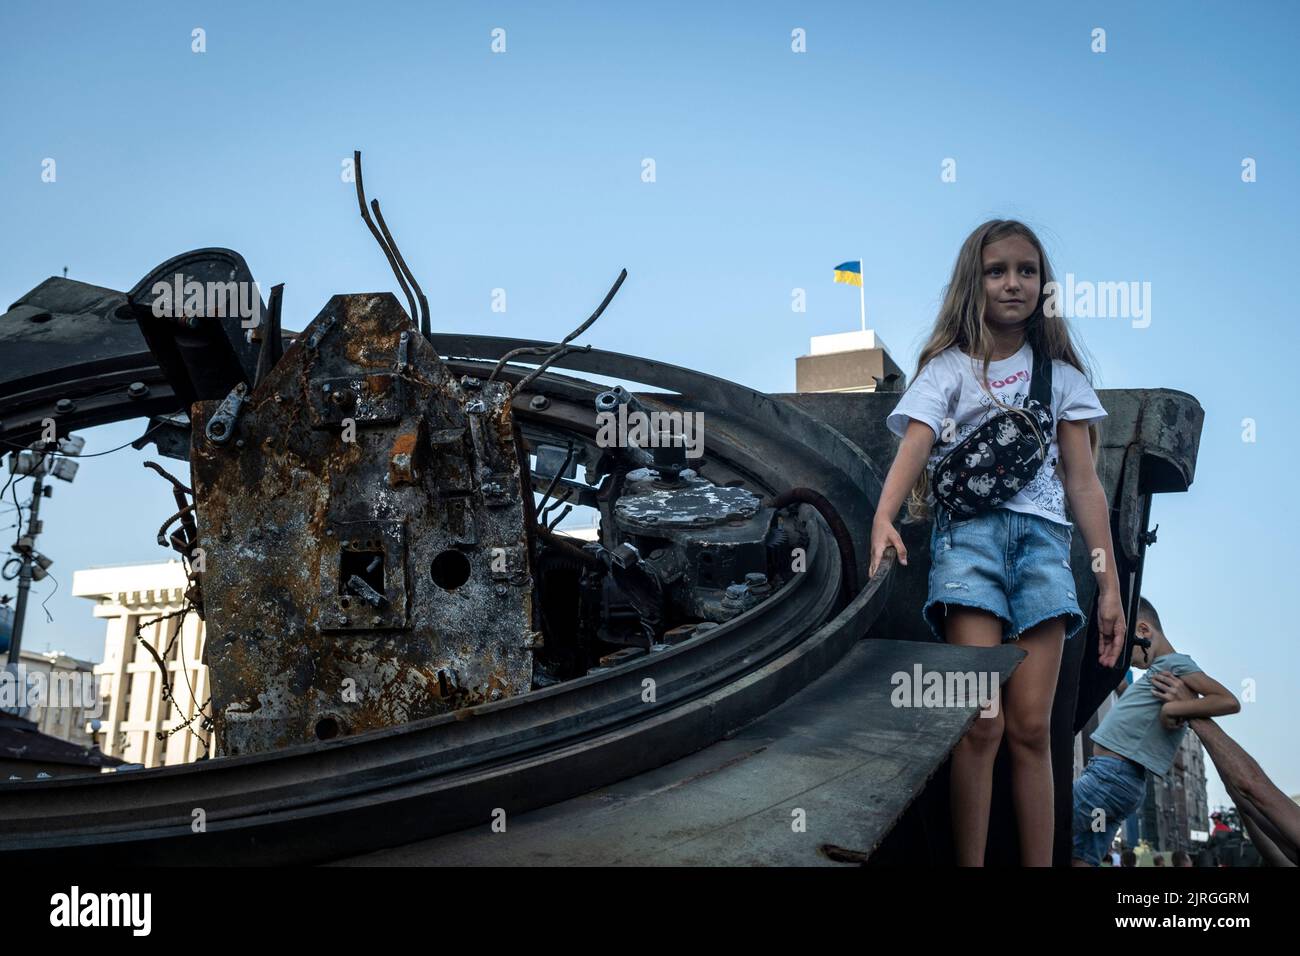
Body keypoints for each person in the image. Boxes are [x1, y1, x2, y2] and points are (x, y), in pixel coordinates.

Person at [869, 219, 1125, 866]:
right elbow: (917, 442)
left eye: (1027, 270)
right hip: (970, 545)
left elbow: (1085, 485)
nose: (1013, 282)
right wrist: (884, 517)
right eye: (996, 270)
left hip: (1043, 548)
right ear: (972, 283)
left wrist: (1109, 585)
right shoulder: (950, 370)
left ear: (1044, 284)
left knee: (1033, 729)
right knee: (979, 722)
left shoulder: (1061, 377)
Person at [1071, 597, 1240, 866]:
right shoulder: (1156, 674)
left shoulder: (1176, 664)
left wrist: (1174, 710)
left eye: (1131, 651)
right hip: (1118, 785)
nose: (1132, 661)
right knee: (1081, 857)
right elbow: (1130, 702)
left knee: (1044, 820)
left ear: (1143, 631)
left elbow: (1229, 701)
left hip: (1108, 779)